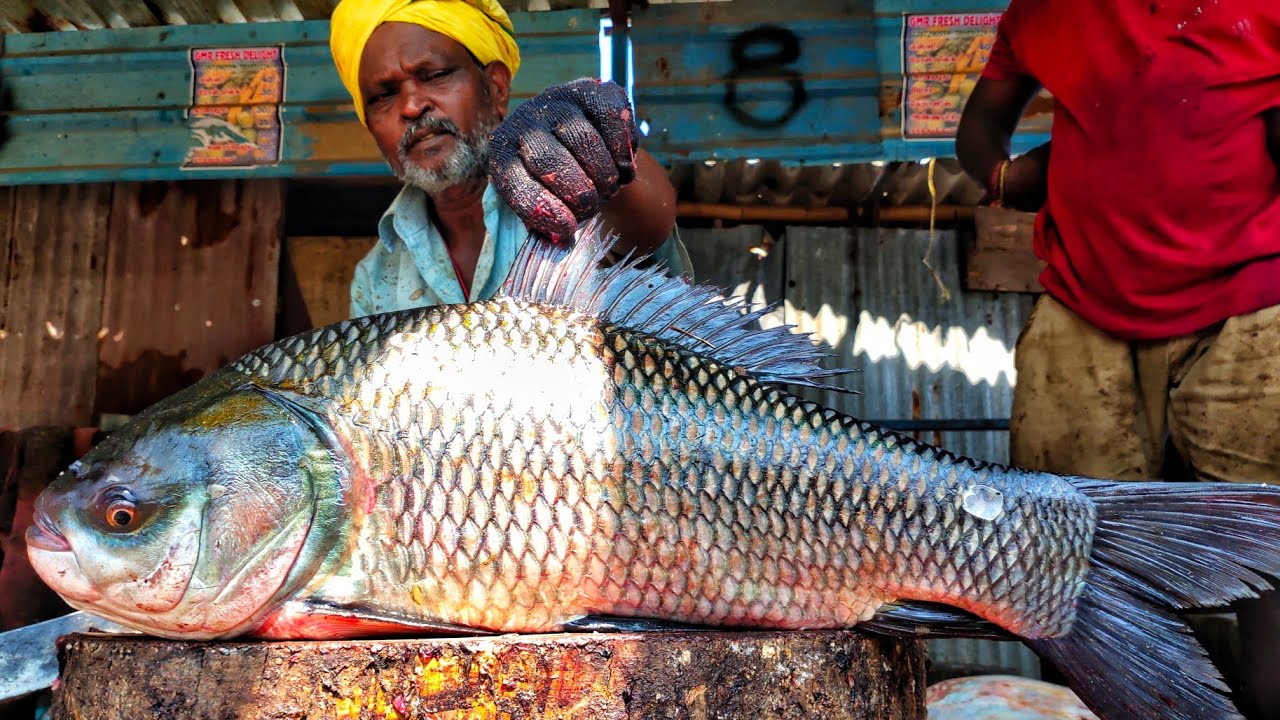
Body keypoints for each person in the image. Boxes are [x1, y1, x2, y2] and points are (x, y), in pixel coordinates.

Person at [956, 2, 1280, 717]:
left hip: (1249, 293)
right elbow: (978, 127)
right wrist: (1006, 179)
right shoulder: (1041, 14)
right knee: (1073, 543)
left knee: (1269, 540)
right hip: (1085, 300)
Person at [327, 0, 691, 317]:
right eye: (383, 96)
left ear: (496, 88)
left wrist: (599, 144)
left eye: (436, 75)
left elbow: (647, 220)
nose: (411, 106)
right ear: (370, 126)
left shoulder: (569, 183)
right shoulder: (374, 279)